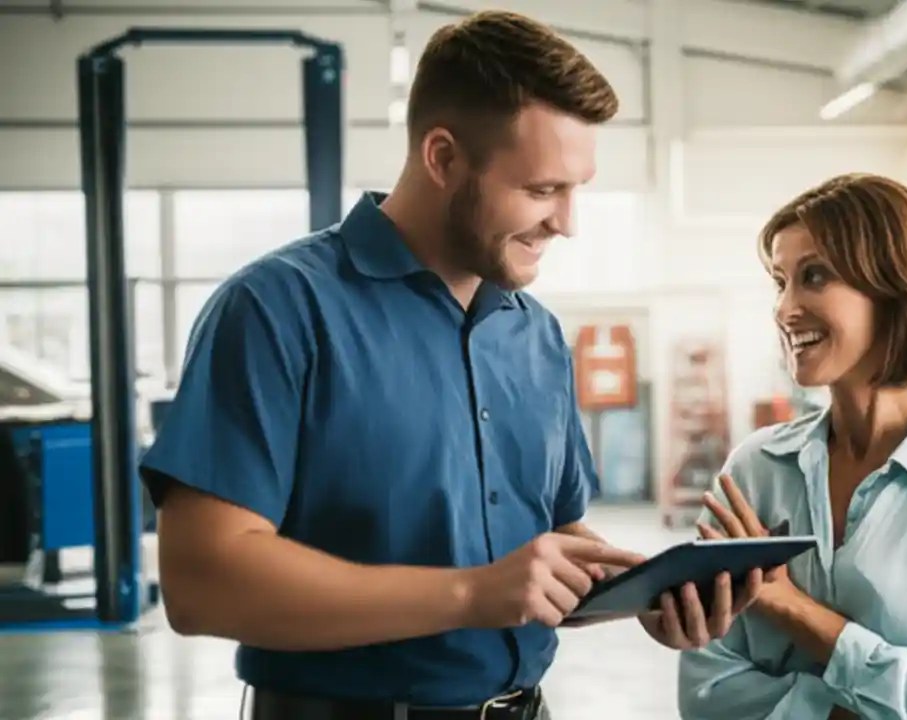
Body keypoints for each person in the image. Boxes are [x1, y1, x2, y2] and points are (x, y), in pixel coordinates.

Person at [140, 11, 758, 720]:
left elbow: (544, 547)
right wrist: (469, 592)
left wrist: (643, 590)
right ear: (442, 158)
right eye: (542, 189)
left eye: (577, 188)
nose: (568, 222)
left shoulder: (539, 338)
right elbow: (200, 582)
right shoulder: (275, 311)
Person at [677, 173, 907, 720]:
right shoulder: (755, 470)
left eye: (815, 276)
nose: (785, 308)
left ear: (894, 286)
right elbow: (706, 693)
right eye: (780, 282)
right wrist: (837, 711)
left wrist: (791, 607)